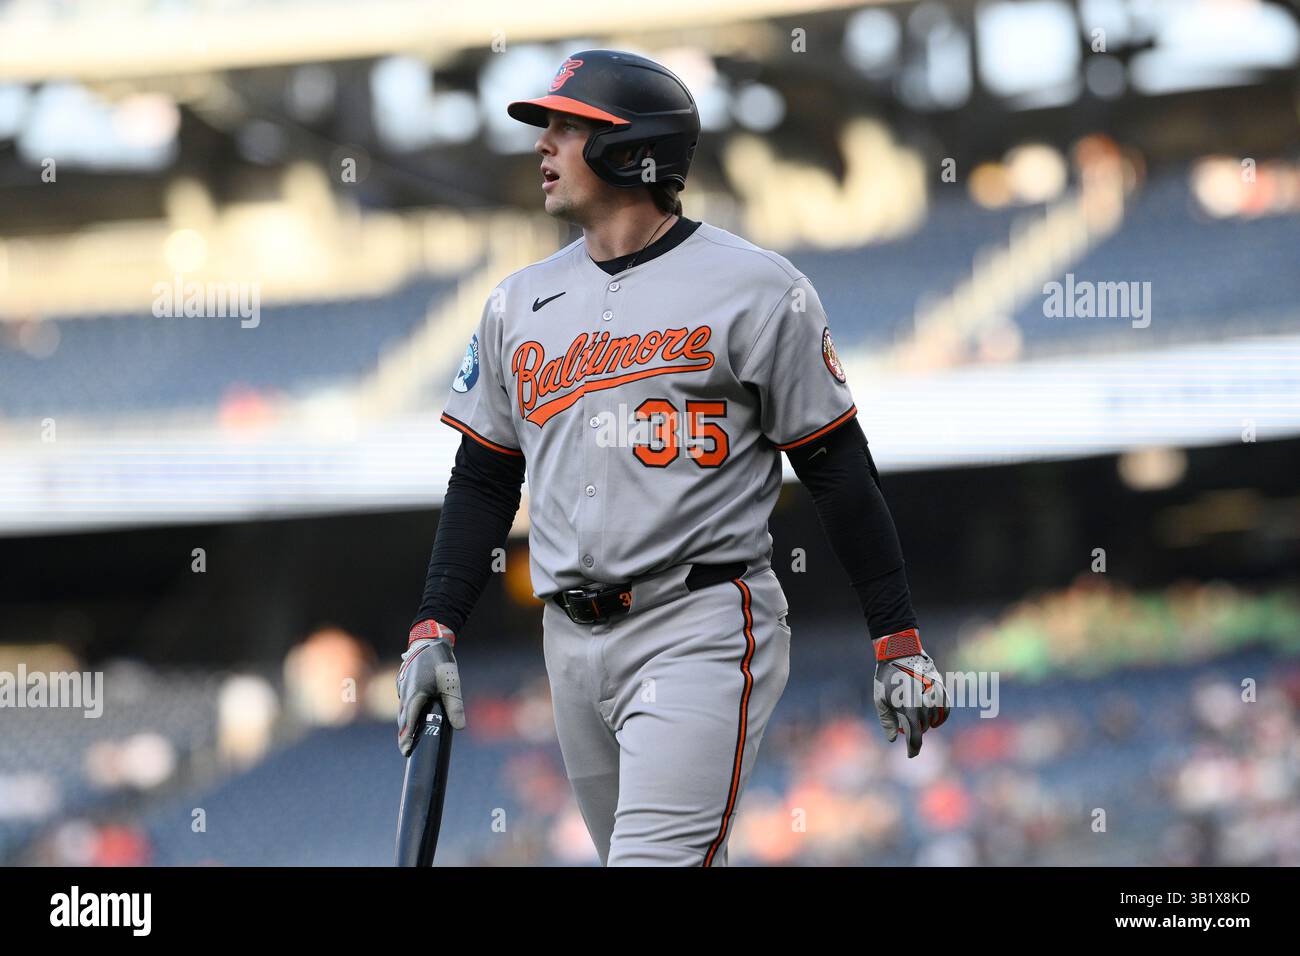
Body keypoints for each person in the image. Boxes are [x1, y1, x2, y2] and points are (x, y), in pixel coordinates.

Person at [396, 49, 950, 867]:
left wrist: (896, 635)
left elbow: (837, 469)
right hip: (569, 641)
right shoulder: (515, 303)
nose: (542, 145)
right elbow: (483, 476)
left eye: (566, 127)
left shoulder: (758, 288)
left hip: (696, 623)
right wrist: (435, 625)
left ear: (632, 148)